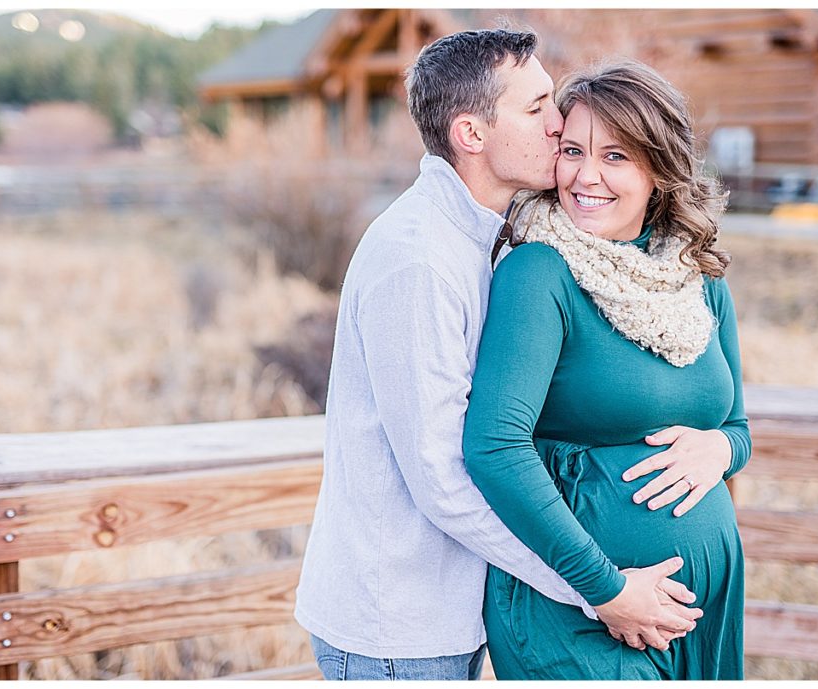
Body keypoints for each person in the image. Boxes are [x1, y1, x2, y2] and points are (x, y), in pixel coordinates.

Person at [295, 31, 702, 681]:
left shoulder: (488, 238)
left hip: (450, 612)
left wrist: (719, 443)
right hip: (396, 627)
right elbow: (444, 478)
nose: (559, 122)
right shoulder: (418, 258)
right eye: (537, 107)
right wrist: (600, 588)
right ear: (471, 134)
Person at [462, 59, 752, 680]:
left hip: (698, 611)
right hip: (579, 608)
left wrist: (722, 451)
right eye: (572, 151)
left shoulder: (695, 275)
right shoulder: (540, 273)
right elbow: (493, 447)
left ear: (659, 170)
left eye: (615, 157)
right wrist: (607, 588)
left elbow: (738, 425)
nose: (584, 177)